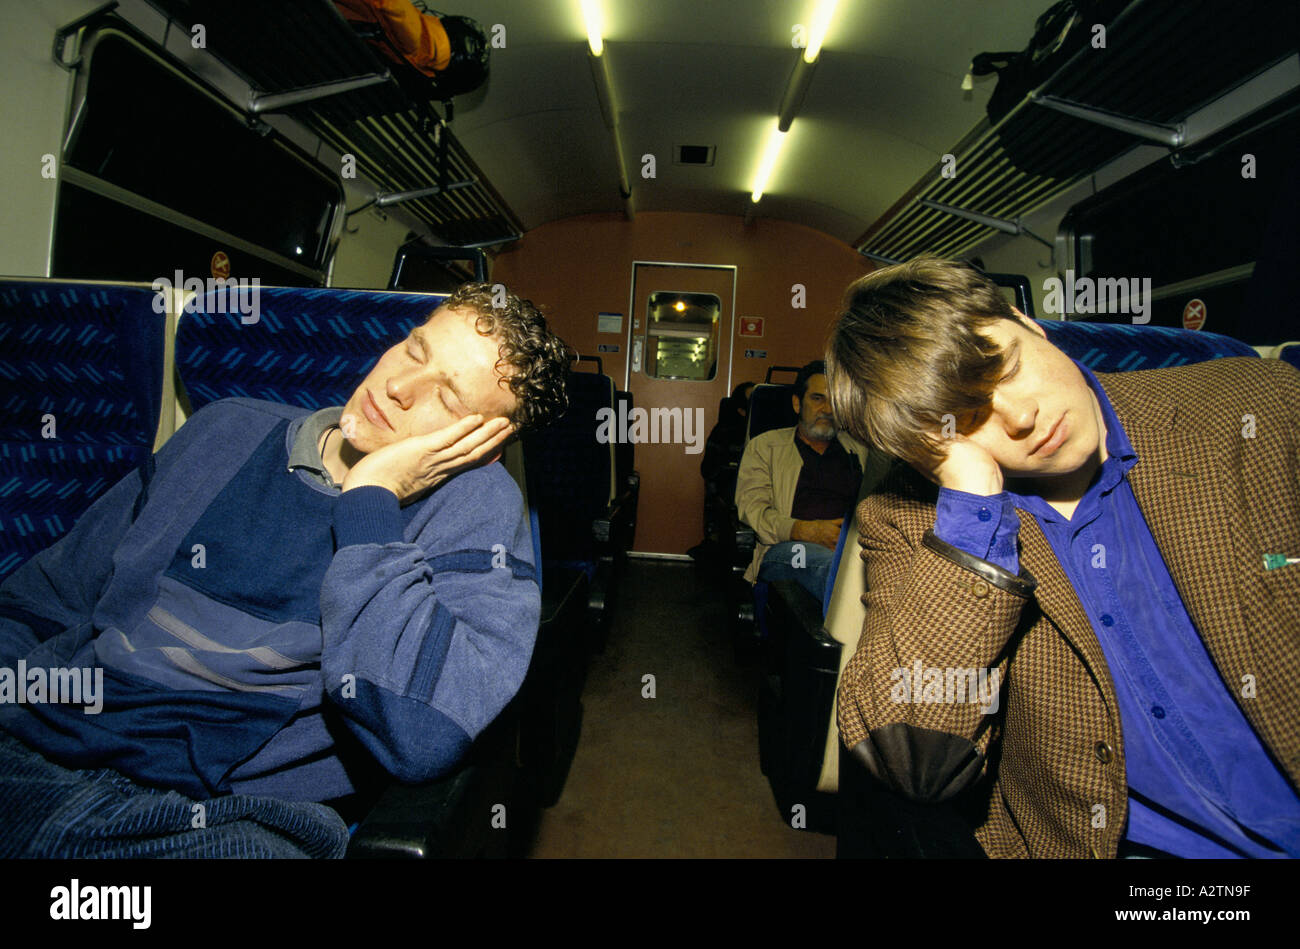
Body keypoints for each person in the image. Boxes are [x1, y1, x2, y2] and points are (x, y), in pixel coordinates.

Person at [0, 281, 570, 858]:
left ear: (484, 445)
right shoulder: (225, 429)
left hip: (215, 818)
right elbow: (44, 597)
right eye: (414, 350)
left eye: (447, 400)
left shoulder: (475, 509)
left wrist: (371, 500)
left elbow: (424, 734)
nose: (396, 385)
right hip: (35, 746)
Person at [826, 257, 1300, 858]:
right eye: (967, 420)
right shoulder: (912, 521)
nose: (1021, 418)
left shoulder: (1258, 406)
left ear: (1029, 322)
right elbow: (913, 759)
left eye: (1008, 367)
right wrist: (971, 510)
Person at [734, 362, 884, 600]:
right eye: (817, 398)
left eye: (834, 402)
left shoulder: (861, 451)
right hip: (789, 548)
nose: (827, 409)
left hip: (851, 549)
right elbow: (753, 510)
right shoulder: (766, 447)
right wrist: (804, 530)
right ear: (797, 403)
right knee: (834, 570)